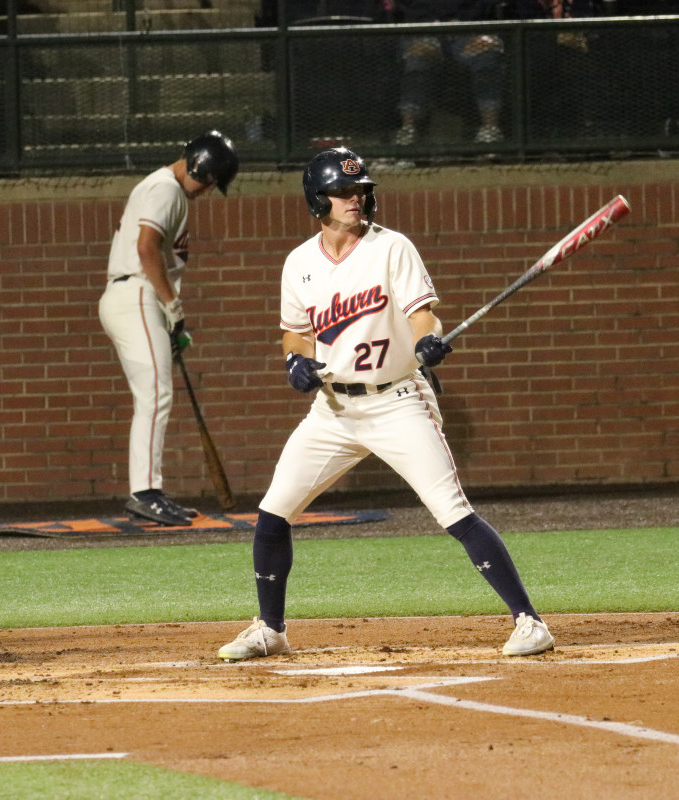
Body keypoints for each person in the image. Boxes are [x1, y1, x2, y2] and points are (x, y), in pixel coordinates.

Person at [217, 147, 555, 661]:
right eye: (344, 191)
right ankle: (270, 629)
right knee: (272, 514)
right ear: (317, 199)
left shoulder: (392, 248)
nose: (357, 198)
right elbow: (295, 333)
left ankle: (529, 622)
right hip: (333, 410)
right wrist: (296, 363)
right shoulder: (299, 262)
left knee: (454, 513)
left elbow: (424, 317)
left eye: (361, 190)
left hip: (398, 401)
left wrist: (427, 343)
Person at [98, 131, 239, 527]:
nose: (209, 191)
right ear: (202, 170)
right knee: (156, 395)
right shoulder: (167, 189)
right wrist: (171, 305)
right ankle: (145, 493)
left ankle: (149, 490)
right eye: (211, 182)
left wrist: (169, 318)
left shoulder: (162, 187)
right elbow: (147, 249)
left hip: (138, 298)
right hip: (137, 294)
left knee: (156, 394)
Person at [386, 0, 506, 146]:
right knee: (417, 59)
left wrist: (464, 21)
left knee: (486, 55)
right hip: (426, 29)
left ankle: (490, 130)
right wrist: (429, 21)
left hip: (470, 29)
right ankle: (408, 132)